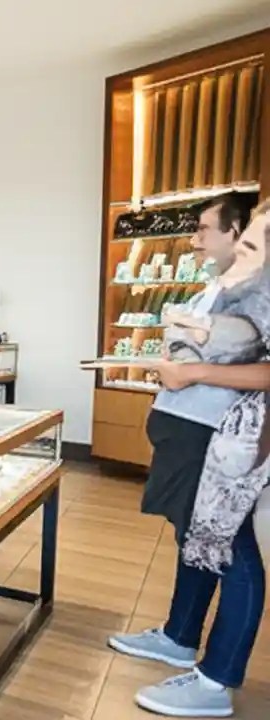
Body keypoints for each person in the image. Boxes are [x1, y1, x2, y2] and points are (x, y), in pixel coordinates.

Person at [108, 193, 269, 718]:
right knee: (196, 538)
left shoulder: (259, 292)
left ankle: (216, 679)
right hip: (192, 426)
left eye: (249, 245)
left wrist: (193, 372)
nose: (198, 240)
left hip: (218, 434)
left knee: (231, 549)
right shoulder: (232, 286)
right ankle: (180, 635)